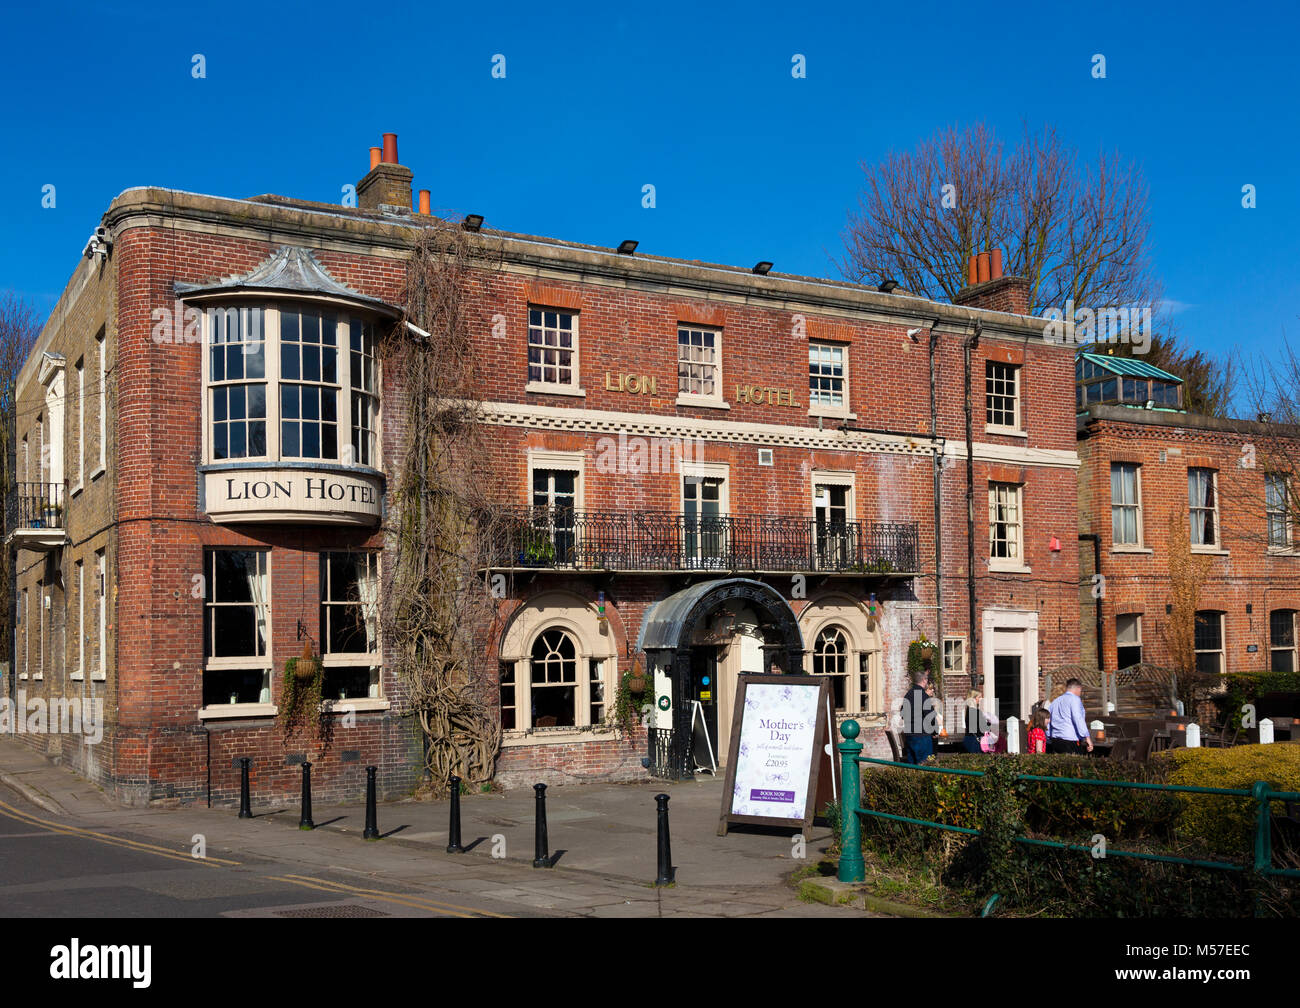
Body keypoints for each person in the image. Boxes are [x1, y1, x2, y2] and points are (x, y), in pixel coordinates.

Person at [899, 668, 937, 764]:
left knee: (912, 767)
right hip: (922, 736)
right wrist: (934, 732)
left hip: (910, 735)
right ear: (924, 680)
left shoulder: (908, 694)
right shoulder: (923, 696)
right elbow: (930, 716)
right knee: (925, 765)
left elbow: (902, 714)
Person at [1046, 678, 1094, 754]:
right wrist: (1087, 737)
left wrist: (1048, 737)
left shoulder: (1056, 701)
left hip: (1055, 739)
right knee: (1075, 764)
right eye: (1080, 690)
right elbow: (1078, 718)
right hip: (1070, 740)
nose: (1080, 693)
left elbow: (1048, 720)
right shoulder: (1075, 699)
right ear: (1078, 688)